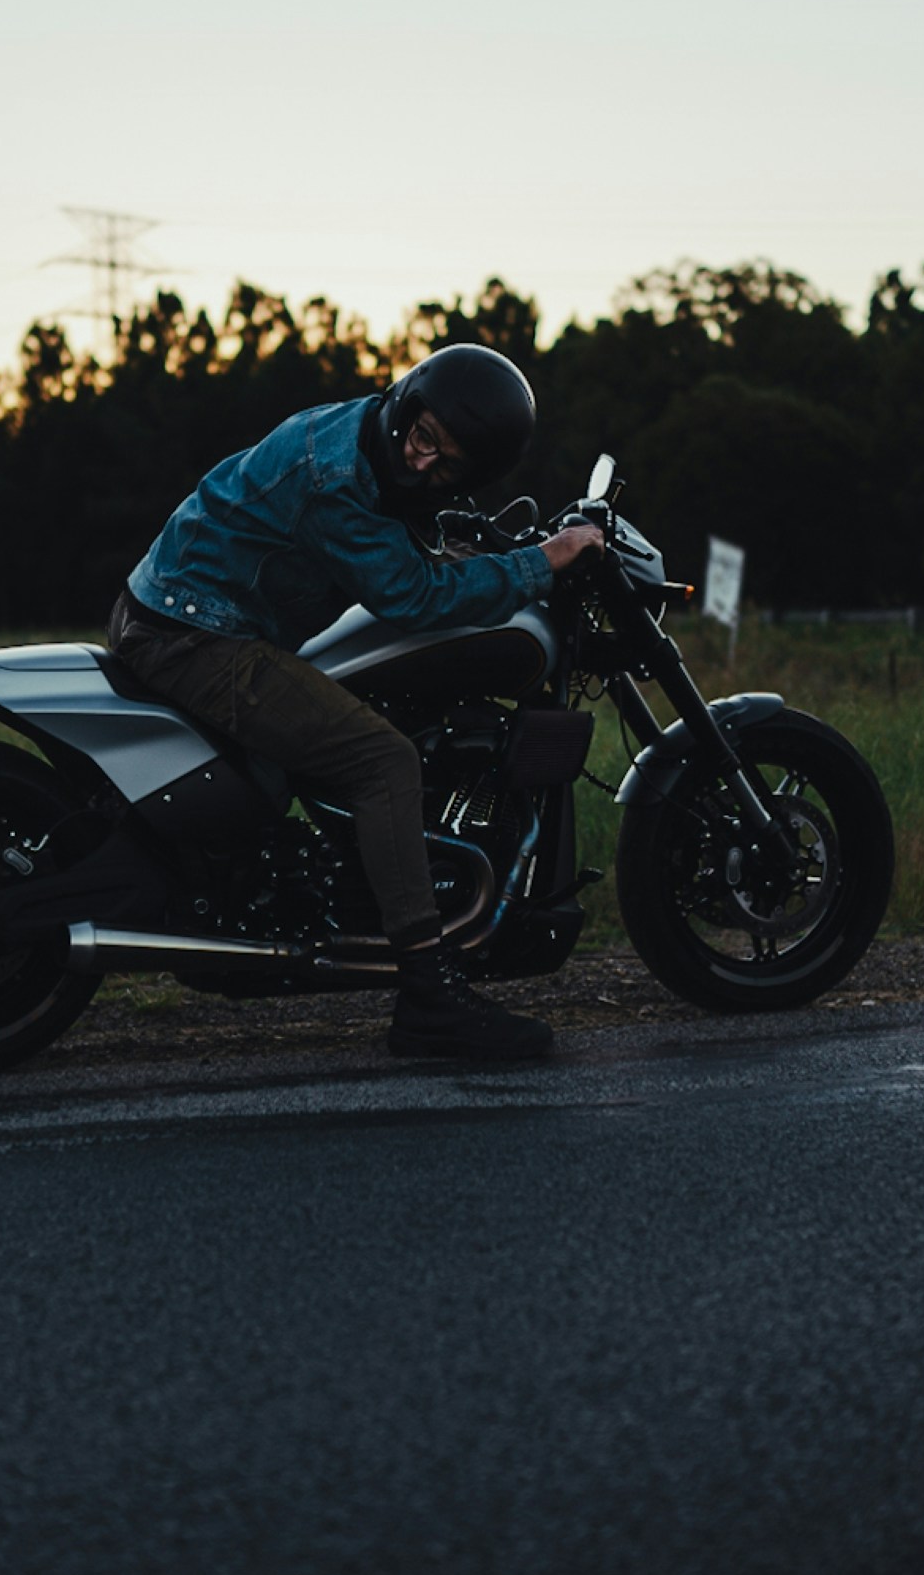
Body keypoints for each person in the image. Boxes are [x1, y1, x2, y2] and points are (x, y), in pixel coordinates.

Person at [107, 343, 606, 1058]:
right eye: (423, 436)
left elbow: (403, 542)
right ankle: (429, 996)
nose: (422, 461)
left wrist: (478, 547)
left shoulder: (365, 440)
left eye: (448, 464)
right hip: (192, 635)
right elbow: (413, 597)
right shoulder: (337, 477)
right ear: (408, 404)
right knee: (382, 761)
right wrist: (542, 561)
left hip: (192, 614)